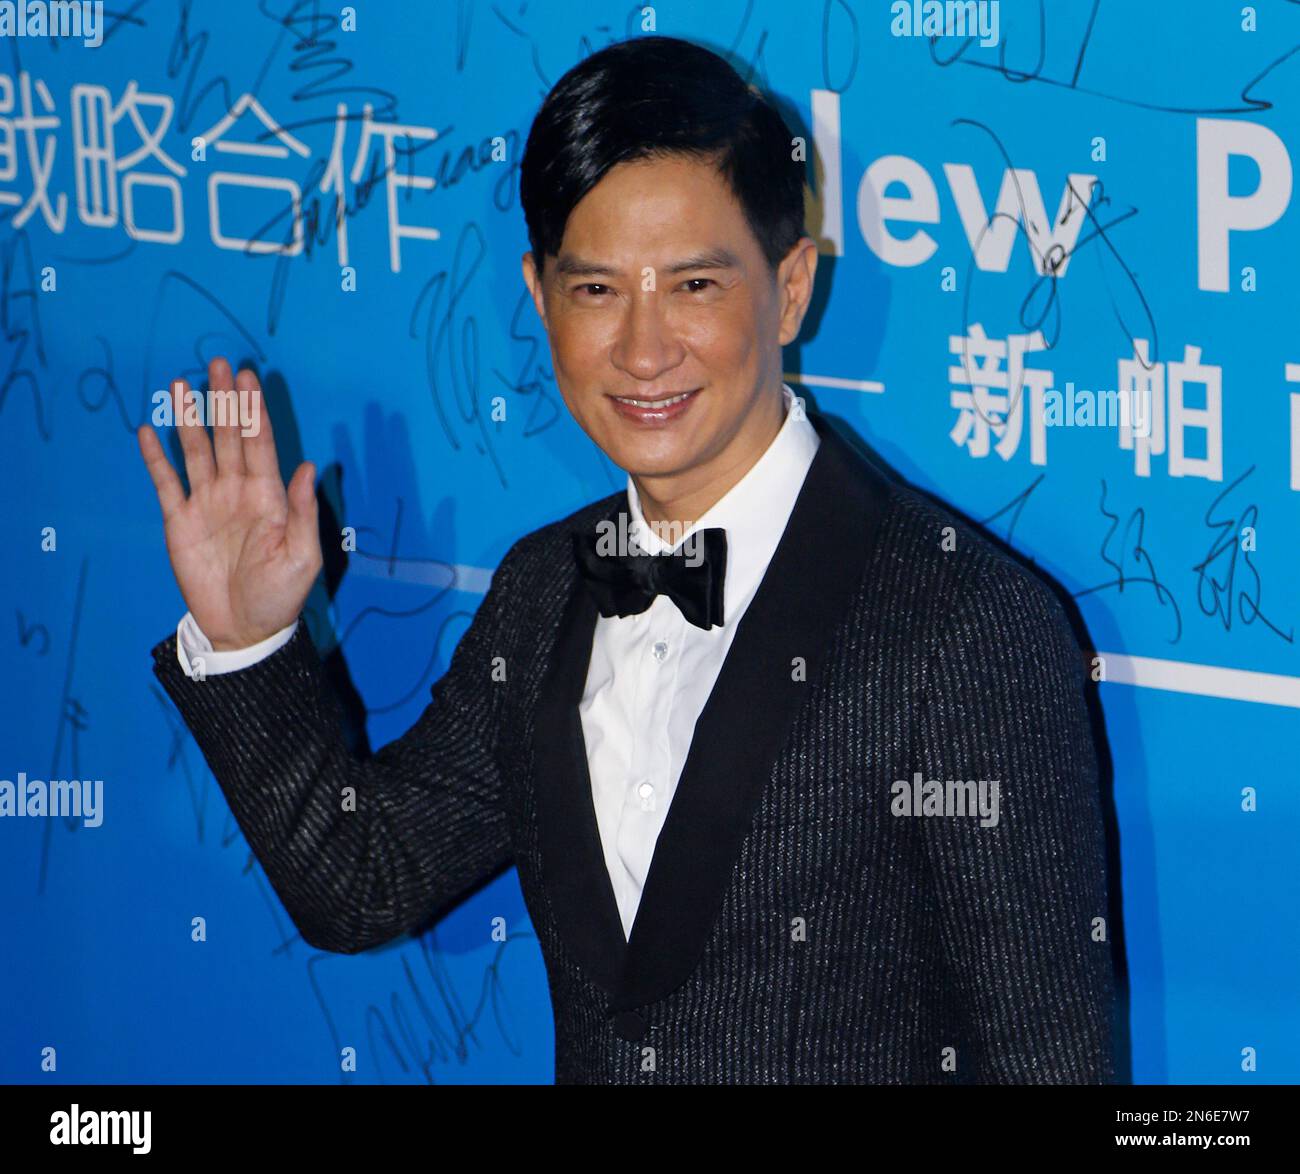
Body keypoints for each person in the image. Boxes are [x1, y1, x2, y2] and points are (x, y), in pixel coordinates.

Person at [137, 34, 1115, 1084]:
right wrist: (249, 640)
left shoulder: (963, 623)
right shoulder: (541, 591)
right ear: (539, 293)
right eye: (597, 291)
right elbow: (364, 882)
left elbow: (1049, 1063)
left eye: (694, 284)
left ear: (790, 288)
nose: (644, 351)